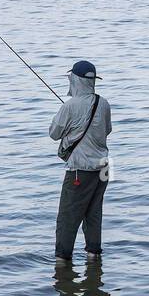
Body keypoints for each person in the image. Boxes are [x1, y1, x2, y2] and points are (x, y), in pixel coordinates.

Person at [49, 60, 112, 265]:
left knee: (68, 218)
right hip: (103, 169)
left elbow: (54, 133)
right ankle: (94, 257)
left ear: (74, 80)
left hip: (79, 171)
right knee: (93, 214)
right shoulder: (103, 103)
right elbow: (107, 130)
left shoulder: (70, 105)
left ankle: (62, 260)